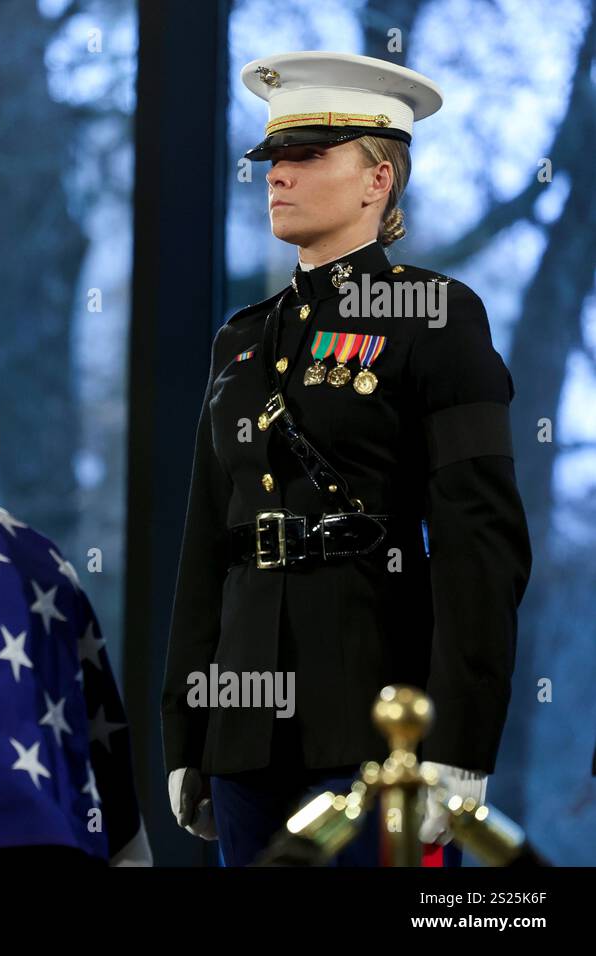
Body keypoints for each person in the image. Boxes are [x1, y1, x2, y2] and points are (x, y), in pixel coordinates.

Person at [161, 52, 531, 866]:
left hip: (376, 724)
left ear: (379, 180)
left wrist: (460, 741)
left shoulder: (433, 315)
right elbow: (206, 550)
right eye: (272, 161)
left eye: (307, 157)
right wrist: (187, 733)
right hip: (244, 731)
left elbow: (482, 544)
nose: (277, 177)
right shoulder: (242, 339)